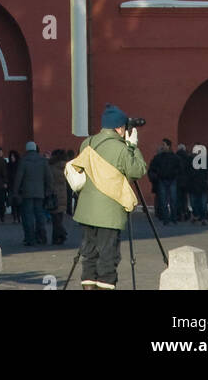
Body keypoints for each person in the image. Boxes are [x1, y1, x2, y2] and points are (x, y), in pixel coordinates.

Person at [70, 104, 147, 291]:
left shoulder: (86, 143)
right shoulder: (121, 149)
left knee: (89, 254)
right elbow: (138, 170)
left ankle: (88, 287)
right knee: (108, 256)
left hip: (87, 211)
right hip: (109, 212)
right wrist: (133, 146)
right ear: (120, 128)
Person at [13, 140, 51, 247]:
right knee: (40, 215)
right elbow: (49, 177)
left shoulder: (23, 161)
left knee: (28, 215)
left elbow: (18, 178)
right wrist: (49, 190)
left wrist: (15, 192)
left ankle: (30, 239)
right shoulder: (43, 161)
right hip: (40, 192)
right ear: (35, 148)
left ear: (27, 149)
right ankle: (42, 237)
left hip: (27, 192)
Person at [149, 138, 180, 224]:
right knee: (164, 201)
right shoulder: (160, 157)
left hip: (170, 180)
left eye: (163, 145)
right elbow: (152, 168)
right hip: (163, 180)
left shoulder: (174, 157)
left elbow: (180, 168)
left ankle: (173, 217)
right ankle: (167, 218)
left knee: (172, 200)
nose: (162, 147)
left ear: (168, 146)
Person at [48, 149, 69, 244]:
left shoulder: (51, 167)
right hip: (63, 194)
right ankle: (57, 238)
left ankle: (62, 234)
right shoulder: (66, 166)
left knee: (55, 219)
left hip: (54, 195)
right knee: (59, 218)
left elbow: (49, 181)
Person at [187, 146, 208, 224]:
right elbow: (187, 170)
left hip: (202, 183)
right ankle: (197, 215)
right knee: (194, 202)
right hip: (193, 184)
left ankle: (203, 217)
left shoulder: (206, 159)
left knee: (202, 202)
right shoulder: (190, 159)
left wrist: (207, 176)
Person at [175, 144, 192, 222]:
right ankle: (185, 212)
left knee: (178, 198)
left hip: (177, 180)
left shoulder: (175, 157)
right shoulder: (189, 158)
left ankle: (179, 214)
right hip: (186, 181)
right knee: (184, 198)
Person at [6, 150, 22, 223]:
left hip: (18, 186)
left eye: (13, 156)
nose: (12, 158)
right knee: (13, 203)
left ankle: (18, 217)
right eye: (11, 156)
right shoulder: (8, 165)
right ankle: (15, 217)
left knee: (19, 203)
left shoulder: (20, 165)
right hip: (11, 186)